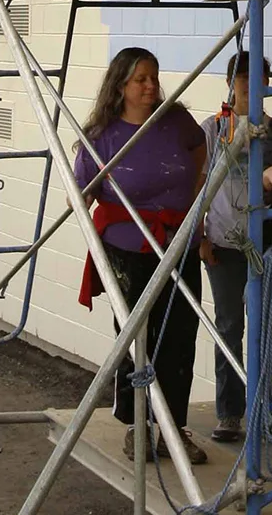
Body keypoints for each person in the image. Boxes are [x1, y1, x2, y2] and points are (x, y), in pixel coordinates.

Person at [73, 47, 210, 466]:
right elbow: (80, 192)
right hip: (127, 249)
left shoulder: (176, 120)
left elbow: (200, 153)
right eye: (140, 80)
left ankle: (174, 429)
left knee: (181, 334)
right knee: (137, 337)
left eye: (153, 77)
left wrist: (188, 200)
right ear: (120, 86)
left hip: (177, 243)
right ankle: (139, 425)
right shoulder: (102, 136)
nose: (151, 86)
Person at [200, 52, 272, 442]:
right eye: (240, 76)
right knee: (229, 328)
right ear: (228, 81)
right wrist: (199, 237)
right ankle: (230, 413)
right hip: (224, 243)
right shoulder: (212, 129)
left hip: (266, 245)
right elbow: (199, 187)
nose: (247, 82)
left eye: (257, 76)